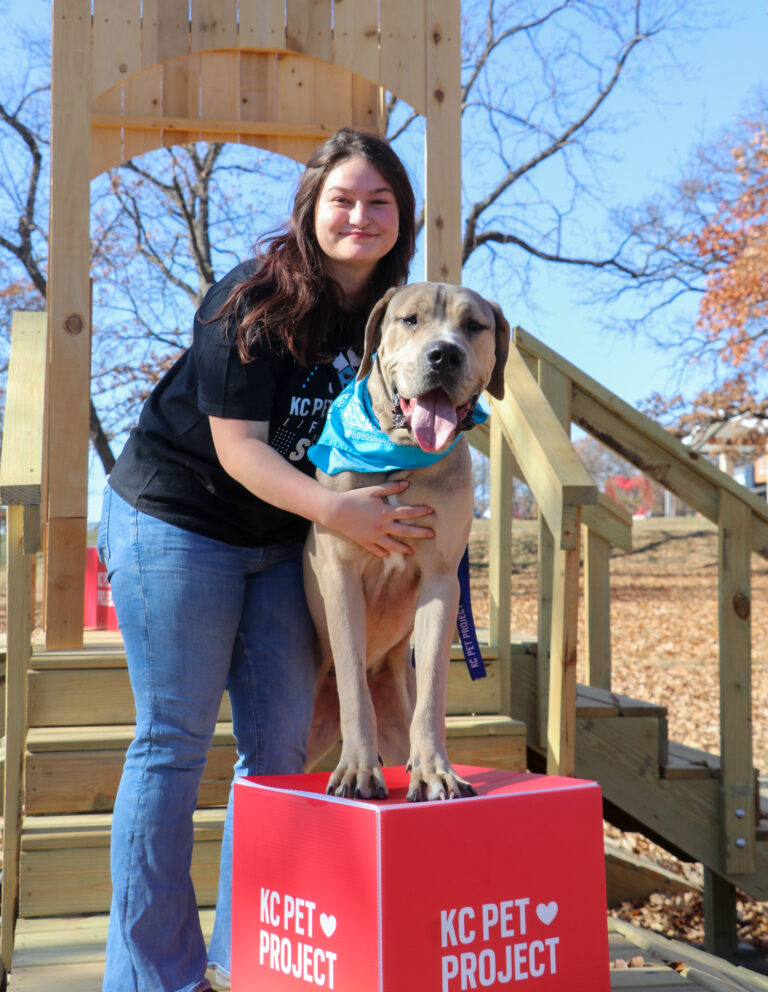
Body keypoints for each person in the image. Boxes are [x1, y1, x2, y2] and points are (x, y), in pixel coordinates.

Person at [98, 128, 433, 992]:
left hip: (287, 542)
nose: (360, 216)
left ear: (404, 215)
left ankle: (251, 961)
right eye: (342, 199)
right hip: (178, 518)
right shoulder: (251, 296)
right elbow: (243, 450)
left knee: (281, 747)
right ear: (311, 209)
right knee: (172, 741)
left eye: (380, 201)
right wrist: (341, 512)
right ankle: (155, 977)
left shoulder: (398, 316)